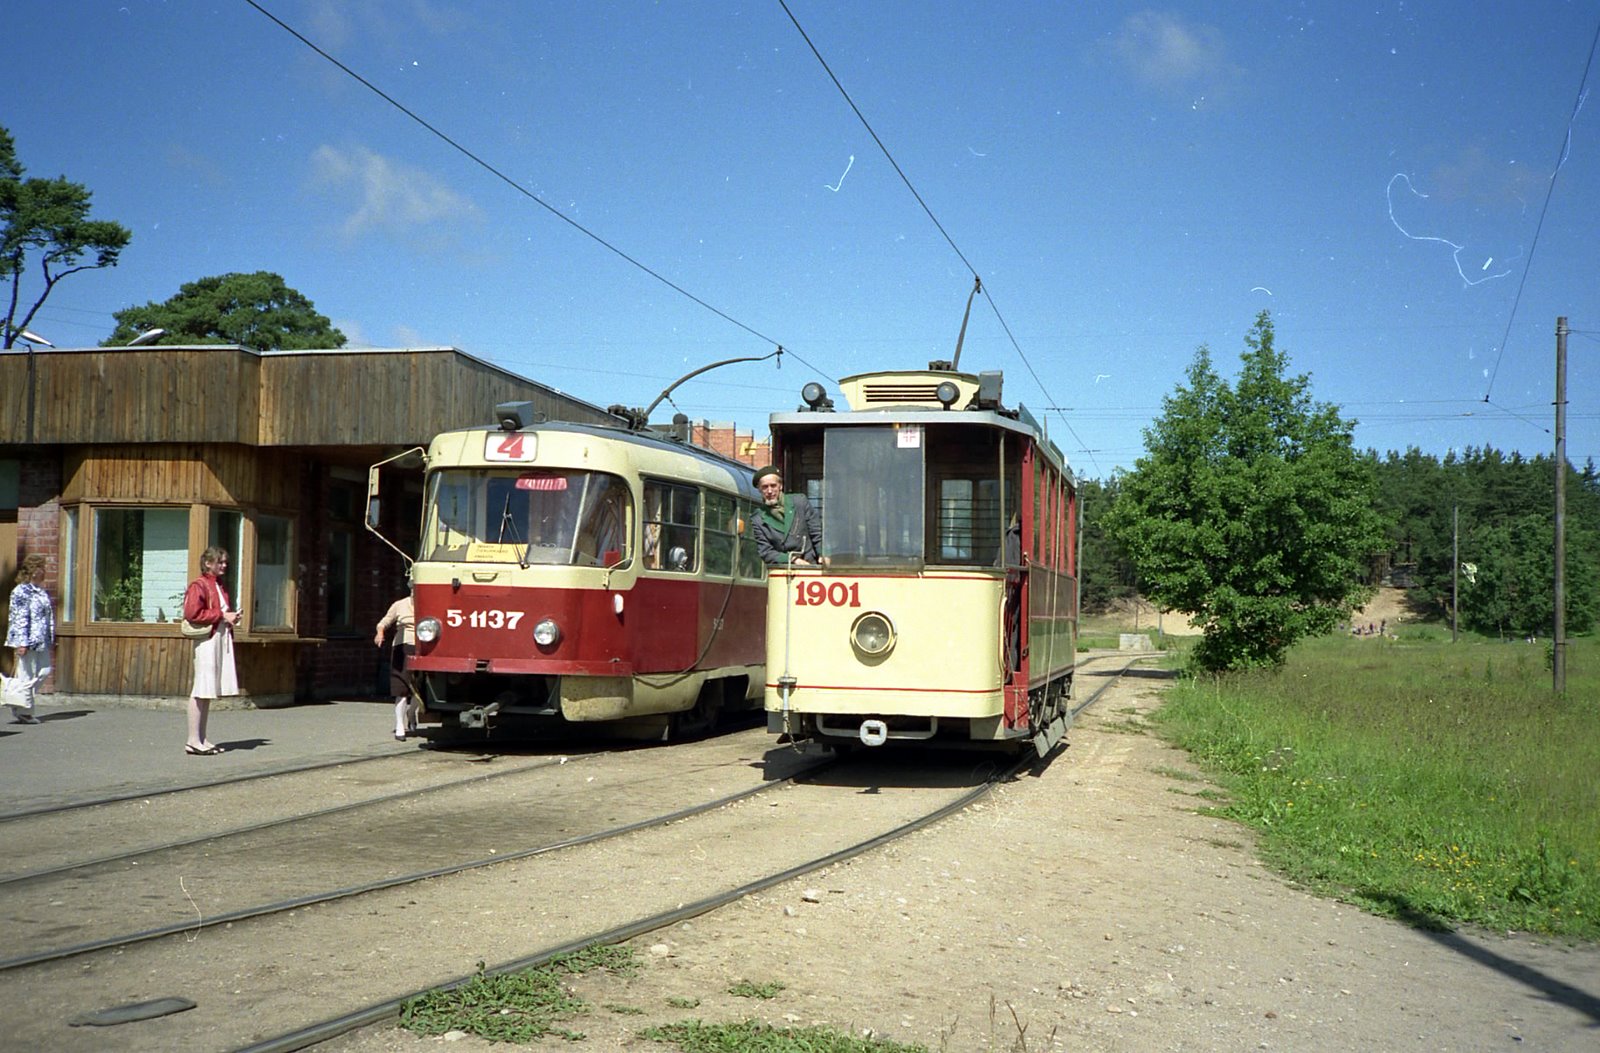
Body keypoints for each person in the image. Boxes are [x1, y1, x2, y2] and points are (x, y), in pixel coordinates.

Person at [181, 546, 240, 755]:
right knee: (201, 688)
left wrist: (229, 617)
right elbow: (192, 613)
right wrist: (223, 616)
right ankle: (192, 739)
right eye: (220, 562)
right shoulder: (199, 585)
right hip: (207, 639)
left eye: (225, 562)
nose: (224, 566)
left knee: (207, 690)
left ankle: (201, 738)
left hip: (219, 637)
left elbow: (216, 612)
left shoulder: (219, 585)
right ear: (208, 563)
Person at [4, 554, 55, 725]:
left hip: (41, 640)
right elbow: (20, 618)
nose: (45, 571)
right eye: (42, 568)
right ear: (34, 570)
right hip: (27, 641)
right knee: (26, 675)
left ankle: (19, 702)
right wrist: (21, 642)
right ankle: (24, 712)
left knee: (44, 670)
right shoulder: (21, 591)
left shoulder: (39, 591)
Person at [751, 465, 825, 566]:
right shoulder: (758, 518)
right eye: (765, 487)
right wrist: (792, 559)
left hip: (811, 565)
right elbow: (766, 552)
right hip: (785, 570)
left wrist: (822, 554)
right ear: (759, 489)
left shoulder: (799, 502)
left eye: (773, 486)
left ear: (780, 486)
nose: (769, 491)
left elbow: (816, 531)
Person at [375, 594, 417, 740]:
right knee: (401, 687)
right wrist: (380, 633)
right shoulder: (399, 604)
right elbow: (384, 622)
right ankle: (400, 726)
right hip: (403, 646)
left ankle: (411, 713)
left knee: (421, 687)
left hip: (425, 646)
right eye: (413, 587)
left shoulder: (430, 602)